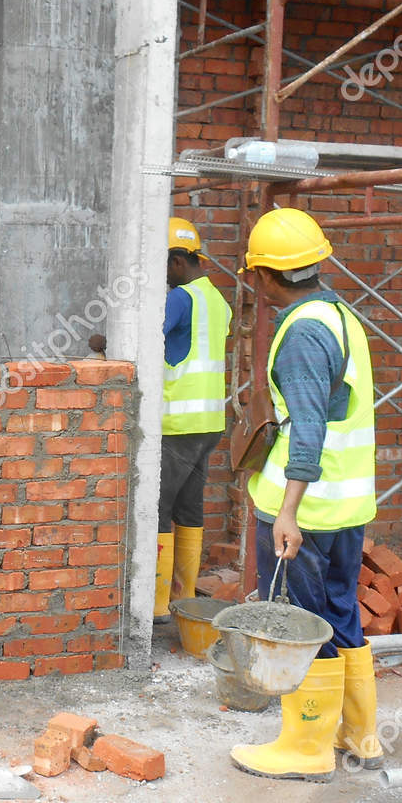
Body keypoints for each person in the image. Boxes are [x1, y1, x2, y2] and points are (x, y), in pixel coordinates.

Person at [229, 207, 380, 782]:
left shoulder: (301, 333)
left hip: (308, 512)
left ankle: (306, 747)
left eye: (255, 273)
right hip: (345, 506)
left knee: (302, 623)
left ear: (267, 275)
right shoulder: (340, 316)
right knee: (340, 611)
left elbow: (310, 428)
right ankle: (359, 736)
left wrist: (287, 512)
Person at [155, 216, 232, 622]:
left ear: (177, 262)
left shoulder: (180, 298)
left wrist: (103, 342)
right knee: (189, 510)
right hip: (209, 423)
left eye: (162, 266)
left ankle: (155, 606)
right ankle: (182, 599)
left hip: (178, 424)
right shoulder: (217, 300)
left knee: (156, 508)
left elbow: (147, 338)